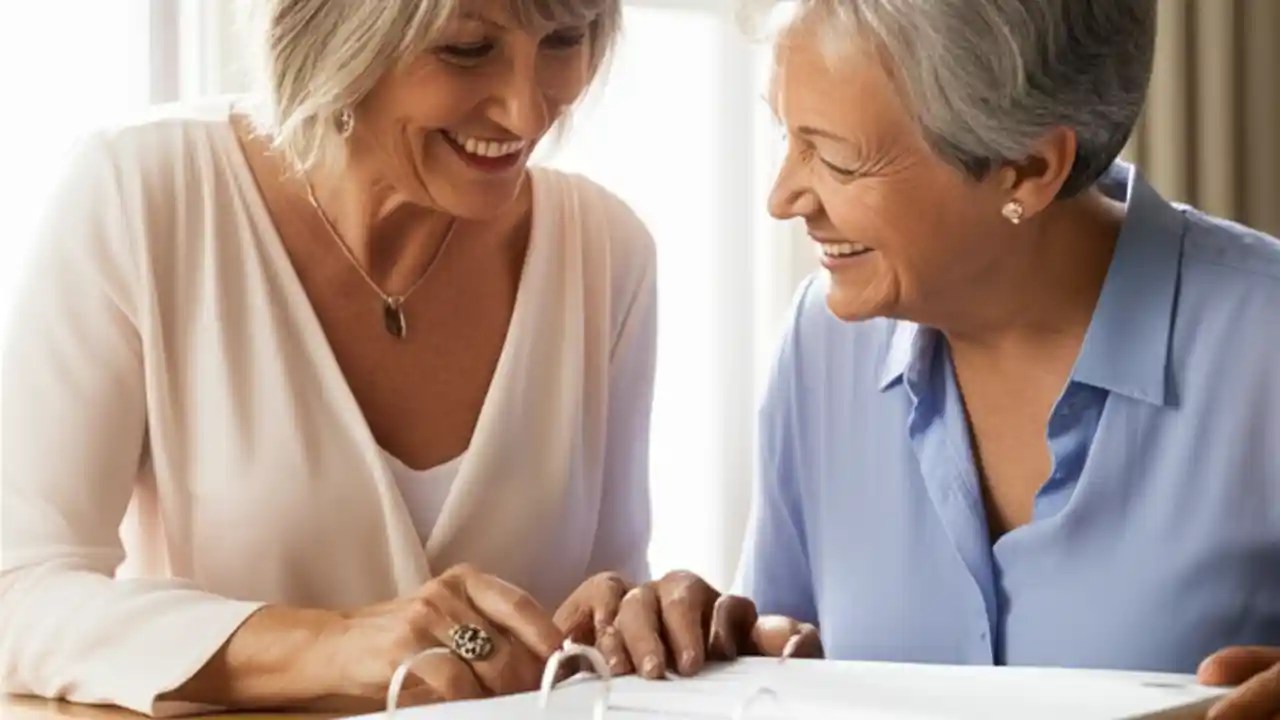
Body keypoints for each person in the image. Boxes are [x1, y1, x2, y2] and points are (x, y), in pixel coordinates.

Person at [0, 0, 679, 713]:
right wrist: (339, 644)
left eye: (564, 40)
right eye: (468, 49)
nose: (527, 113)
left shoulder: (604, 251)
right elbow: (18, 593)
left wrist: (647, 622)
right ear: (337, 34)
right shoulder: (146, 193)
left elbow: (600, 626)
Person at [606, 2, 1280, 718]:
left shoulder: (1261, 347)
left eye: (835, 158)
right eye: (785, 134)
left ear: (1027, 169)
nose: (783, 198)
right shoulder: (822, 344)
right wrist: (701, 647)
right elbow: (781, 665)